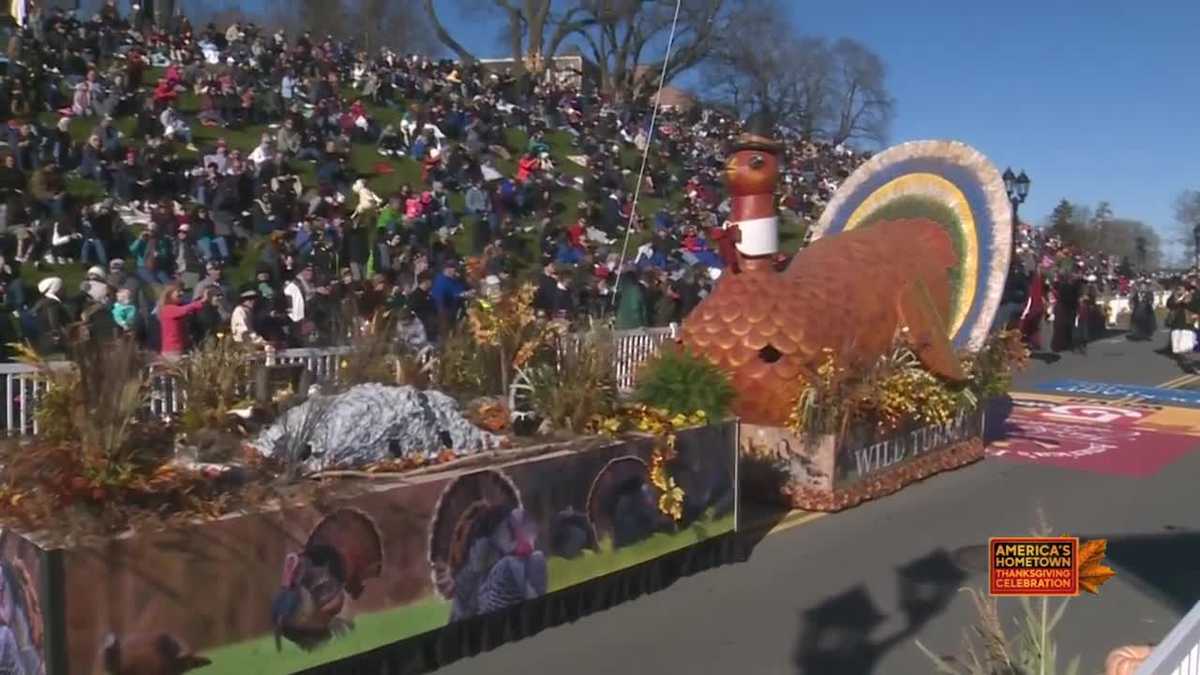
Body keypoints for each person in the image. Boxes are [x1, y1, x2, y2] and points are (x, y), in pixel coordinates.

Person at [158, 284, 207, 358]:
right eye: (178, 291)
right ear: (169, 294)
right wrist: (202, 301)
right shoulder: (167, 309)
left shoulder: (177, 307)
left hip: (181, 347)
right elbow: (184, 310)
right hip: (172, 350)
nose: (181, 293)